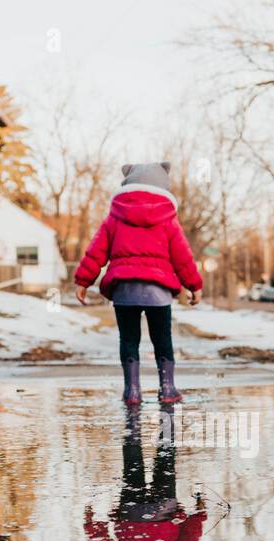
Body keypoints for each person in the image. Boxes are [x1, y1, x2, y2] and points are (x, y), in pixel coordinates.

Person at [73, 162, 203, 405]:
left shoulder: (115, 216)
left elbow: (97, 250)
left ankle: (132, 391)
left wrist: (83, 280)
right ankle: (167, 389)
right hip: (159, 291)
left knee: (129, 340)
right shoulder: (167, 218)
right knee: (162, 340)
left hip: (124, 290)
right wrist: (194, 284)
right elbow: (182, 256)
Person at [84, 407, 206, 541]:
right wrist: (92, 526)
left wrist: (198, 514)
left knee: (165, 461)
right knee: (132, 466)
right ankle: (132, 418)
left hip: (165, 513)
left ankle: (167, 412)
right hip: (131, 518)